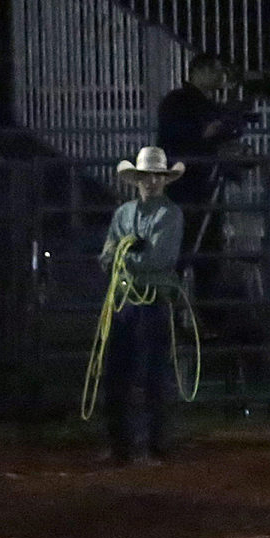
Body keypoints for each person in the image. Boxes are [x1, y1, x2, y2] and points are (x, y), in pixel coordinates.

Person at [99, 147, 188, 466]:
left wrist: (123, 255)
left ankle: (153, 445)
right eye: (147, 176)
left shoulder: (170, 214)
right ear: (137, 179)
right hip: (126, 300)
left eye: (157, 176)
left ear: (163, 179)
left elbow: (159, 258)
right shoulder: (125, 213)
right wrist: (126, 254)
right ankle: (122, 444)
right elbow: (107, 256)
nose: (152, 181)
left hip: (152, 300)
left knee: (153, 374)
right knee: (116, 373)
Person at [156, 53, 248, 292]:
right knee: (182, 248)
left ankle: (205, 307)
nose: (221, 76)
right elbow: (180, 137)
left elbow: (229, 130)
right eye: (217, 70)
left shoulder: (207, 104)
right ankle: (170, 304)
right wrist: (207, 134)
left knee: (209, 252)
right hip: (184, 187)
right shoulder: (177, 102)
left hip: (206, 186)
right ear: (200, 71)